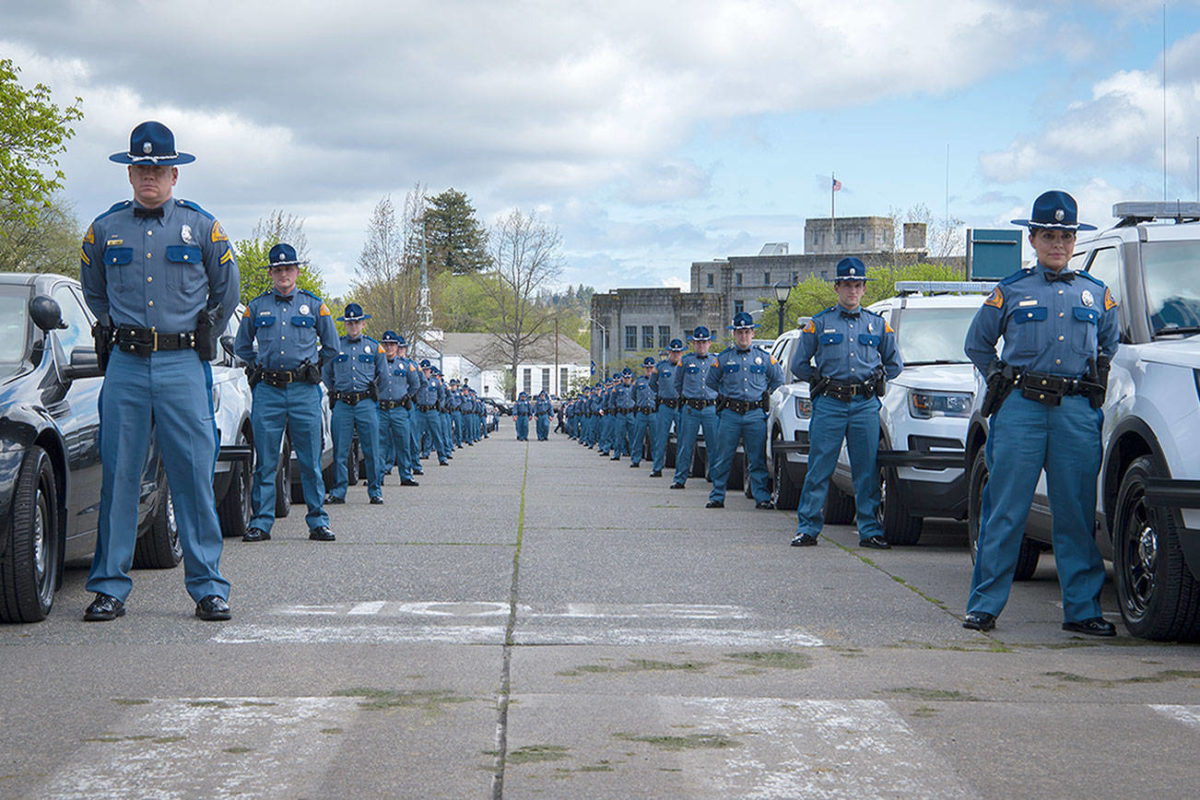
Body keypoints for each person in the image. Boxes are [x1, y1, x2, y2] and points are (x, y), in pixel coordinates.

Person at [80, 120, 238, 621]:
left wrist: (206, 329)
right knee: (120, 477)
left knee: (192, 477)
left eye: (158, 168)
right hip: (126, 366)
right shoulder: (105, 230)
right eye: (140, 167)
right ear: (130, 175)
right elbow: (95, 290)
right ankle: (109, 587)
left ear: (175, 175)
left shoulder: (202, 227)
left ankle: (209, 587)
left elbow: (226, 289)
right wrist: (113, 328)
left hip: (182, 365)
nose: (149, 176)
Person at [962, 190, 1119, 636]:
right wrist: (1000, 378)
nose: (1058, 244)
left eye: (1066, 236)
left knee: (1074, 513)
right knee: (1006, 510)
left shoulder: (1096, 294)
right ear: (1032, 239)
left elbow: (1111, 343)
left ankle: (1083, 610)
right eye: (1049, 235)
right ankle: (984, 605)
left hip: (1074, 411)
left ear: (1074, 241)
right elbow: (976, 343)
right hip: (1021, 410)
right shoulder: (1009, 291)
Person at [789, 257, 902, 549]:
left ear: (864, 289)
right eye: (847, 285)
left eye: (858, 285)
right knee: (819, 467)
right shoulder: (819, 323)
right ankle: (808, 528)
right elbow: (799, 364)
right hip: (830, 403)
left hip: (864, 404)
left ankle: (869, 530)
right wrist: (819, 380)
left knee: (866, 470)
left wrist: (877, 379)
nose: (852, 290)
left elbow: (895, 364)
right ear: (837, 287)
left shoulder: (878, 325)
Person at [235, 243, 338, 543]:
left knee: (310, 459)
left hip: (304, 390)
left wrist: (314, 368)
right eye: (278, 269)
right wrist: (256, 369)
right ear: (271, 272)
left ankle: (318, 521)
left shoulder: (315, 305)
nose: (284, 274)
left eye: (288, 268)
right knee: (266, 460)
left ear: (297, 270)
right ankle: (261, 522)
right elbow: (242, 346)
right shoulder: (256, 307)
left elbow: (331, 347)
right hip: (268, 391)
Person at [705, 312, 785, 508]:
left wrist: (764, 395)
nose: (743, 336)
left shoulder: (764, 358)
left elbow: (778, 379)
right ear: (734, 334)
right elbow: (711, 382)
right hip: (730, 414)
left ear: (752, 333)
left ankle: (762, 498)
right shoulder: (723, 359)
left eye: (747, 332)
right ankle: (717, 496)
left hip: (755, 414)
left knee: (757, 458)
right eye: (739, 332)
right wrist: (727, 395)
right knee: (723, 456)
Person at [322, 303, 386, 508]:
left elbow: (383, 376)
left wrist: (373, 393)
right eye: (349, 323)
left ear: (363, 323)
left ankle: (375, 491)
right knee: (340, 450)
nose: (353, 326)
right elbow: (326, 374)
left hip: (366, 402)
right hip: (343, 403)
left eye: (357, 322)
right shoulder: (335, 347)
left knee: (371, 449)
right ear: (345, 324)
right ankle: (339, 491)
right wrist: (336, 390)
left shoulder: (375, 347)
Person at [670, 326, 720, 489]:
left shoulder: (715, 361)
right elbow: (677, 383)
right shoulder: (686, 361)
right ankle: (680, 478)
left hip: (710, 408)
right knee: (685, 444)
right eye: (698, 343)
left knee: (713, 445)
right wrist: (687, 395)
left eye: (704, 342)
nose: (701, 346)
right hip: (691, 408)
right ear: (693, 344)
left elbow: (722, 383)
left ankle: (714, 476)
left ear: (710, 343)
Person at [377, 331, 422, 487]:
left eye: (392, 345)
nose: (389, 347)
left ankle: (406, 475)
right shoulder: (378, 363)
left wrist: (407, 396)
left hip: (399, 409)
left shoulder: (405, 365)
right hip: (381, 408)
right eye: (386, 344)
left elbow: (415, 383)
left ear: (397, 347)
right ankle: (378, 475)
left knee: (403, 443)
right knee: (380, 444)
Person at [649, 339, 685, 477]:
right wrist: (662, 393)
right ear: (669, 351)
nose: (676, 354)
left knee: (683, 439)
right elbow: (652, 384)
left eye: (678, 352)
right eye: (673, 351)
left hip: (680, 405)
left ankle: (681, 470)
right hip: (665, 406)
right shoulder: (661, 367)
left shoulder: (685, 366)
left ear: (682, 352)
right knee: (661, 438)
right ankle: (657, 467)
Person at [628, 357, 657, 467]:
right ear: (644, 368)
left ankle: (656, 461)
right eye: (647, 368)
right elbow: (633, 395)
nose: (649, 370)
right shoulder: (638, 381)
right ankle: (636, 460)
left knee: (655, 438)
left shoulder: (658, 380)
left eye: (651, 367)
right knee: (638, 437)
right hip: (641, 412)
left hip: (654, 412)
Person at [608, 369, 636, 460]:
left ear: (631, 378)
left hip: (631, 413)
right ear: (622, 378)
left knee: (633, 436)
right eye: (625, 378)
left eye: (628, 377)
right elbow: (611, 402)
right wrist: (615, 411)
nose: (627, 379)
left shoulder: (634, 387)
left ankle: (634, 455)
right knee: (619, 435)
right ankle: (617, 454)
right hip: (621, 414)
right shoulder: (617, 388)